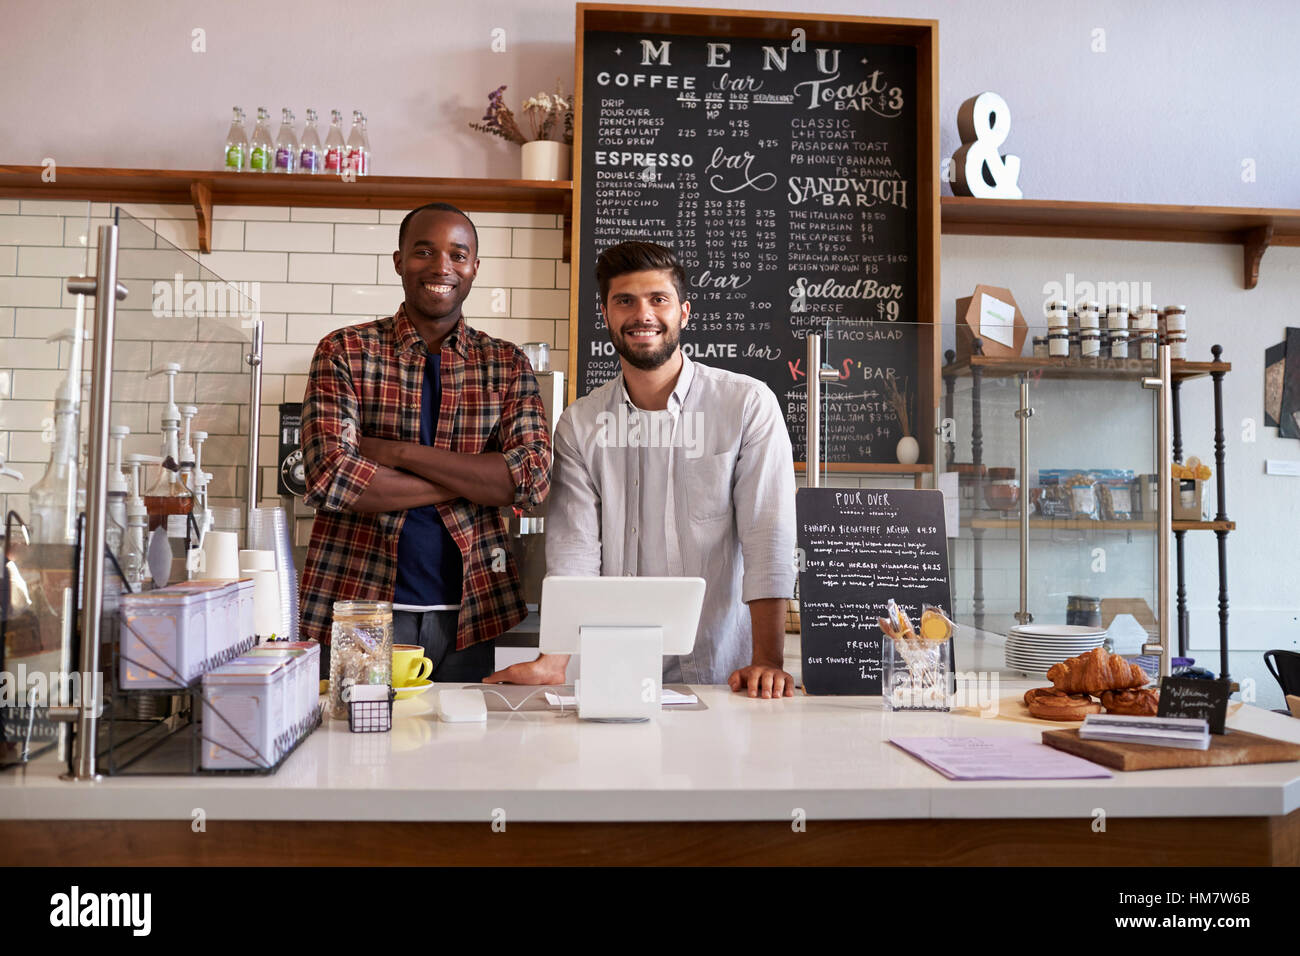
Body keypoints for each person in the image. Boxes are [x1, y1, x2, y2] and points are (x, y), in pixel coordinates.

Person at [485, 240, 797, 697]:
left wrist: (767, 660)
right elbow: (574, 552)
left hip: (726, 678)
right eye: (624, 301)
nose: (642, 314)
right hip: (617, 675)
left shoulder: (746, 404)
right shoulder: (580, 424)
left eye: (658, 299)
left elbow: (767, 537)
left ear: (684, 313)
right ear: (607, 316)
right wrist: (554, 660)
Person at [299, 202, 551, 681]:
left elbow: (532, 480)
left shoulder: (505, 363)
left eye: (458, 254)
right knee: (356, 751)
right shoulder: (346, 350)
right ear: (399, 261)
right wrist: (479, 476)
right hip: (362, 610)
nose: (441, 267)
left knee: (457, 754)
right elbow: (331, 478)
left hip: (471, 613)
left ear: (475, 267)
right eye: (424, 251)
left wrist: (397, 453)